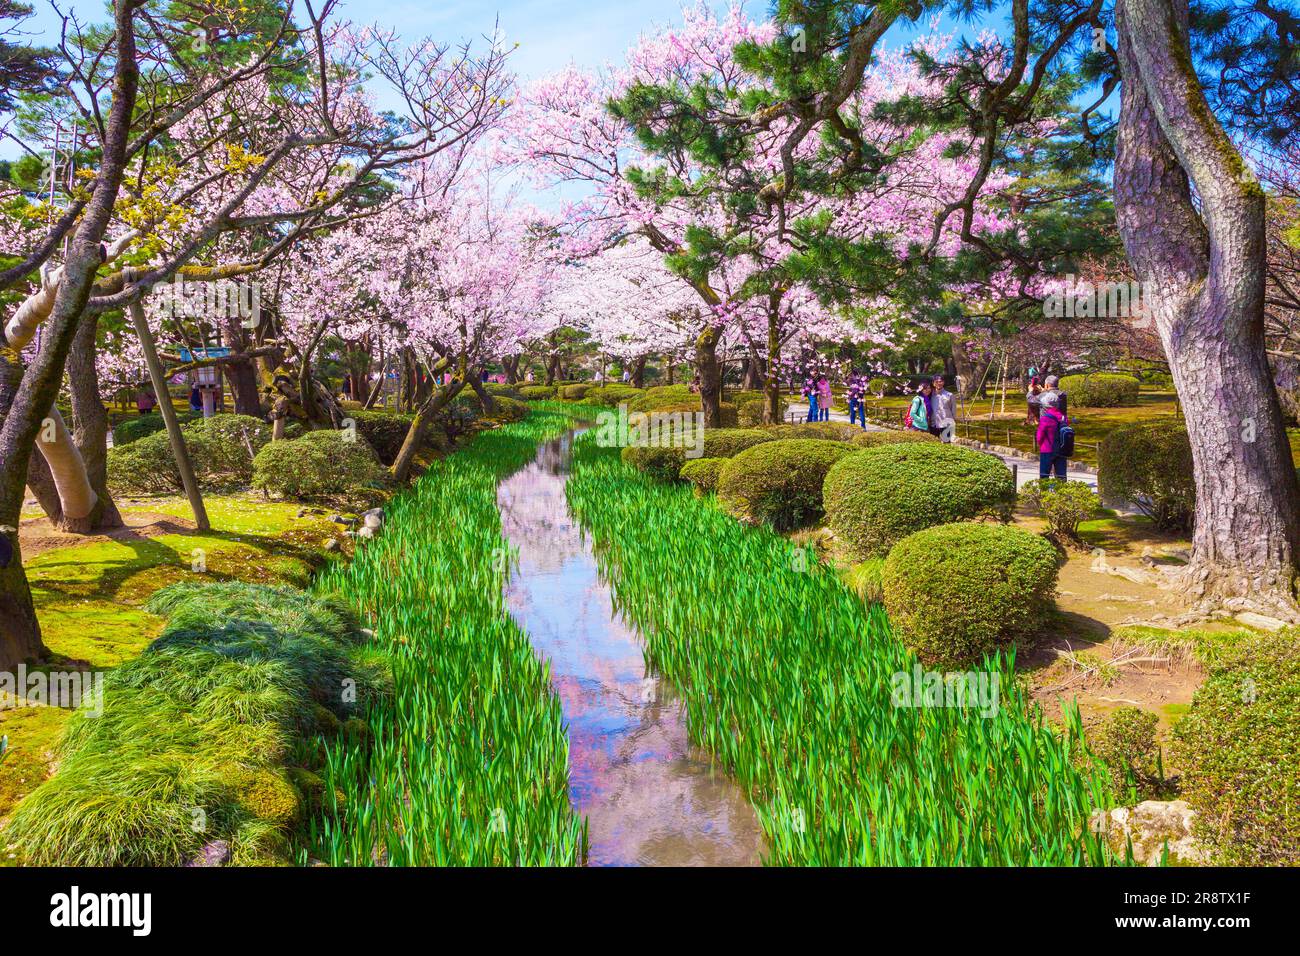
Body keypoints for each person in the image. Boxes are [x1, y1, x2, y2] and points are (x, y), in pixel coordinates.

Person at [1036, 391, 1068, 480]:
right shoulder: (1063, 417)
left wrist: (1040, 444)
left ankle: (1044, 492)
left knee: (1044, 475)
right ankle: (1062, 492)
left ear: (1047, 404)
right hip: (1062, 449)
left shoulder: (1045, 418)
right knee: (1061, 476)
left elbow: (1039, 436)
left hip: (1047, 449)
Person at [930, 375, 956, 442]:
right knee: (934, 443)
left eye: (940, 381)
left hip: (946, 423)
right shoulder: (930, 395)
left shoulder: (950, 395)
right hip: (934, 423)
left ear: (943, 382)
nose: (939, 383)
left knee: (947, 443)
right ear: (933, 383)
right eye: (936, 381)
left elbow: (953, 409)